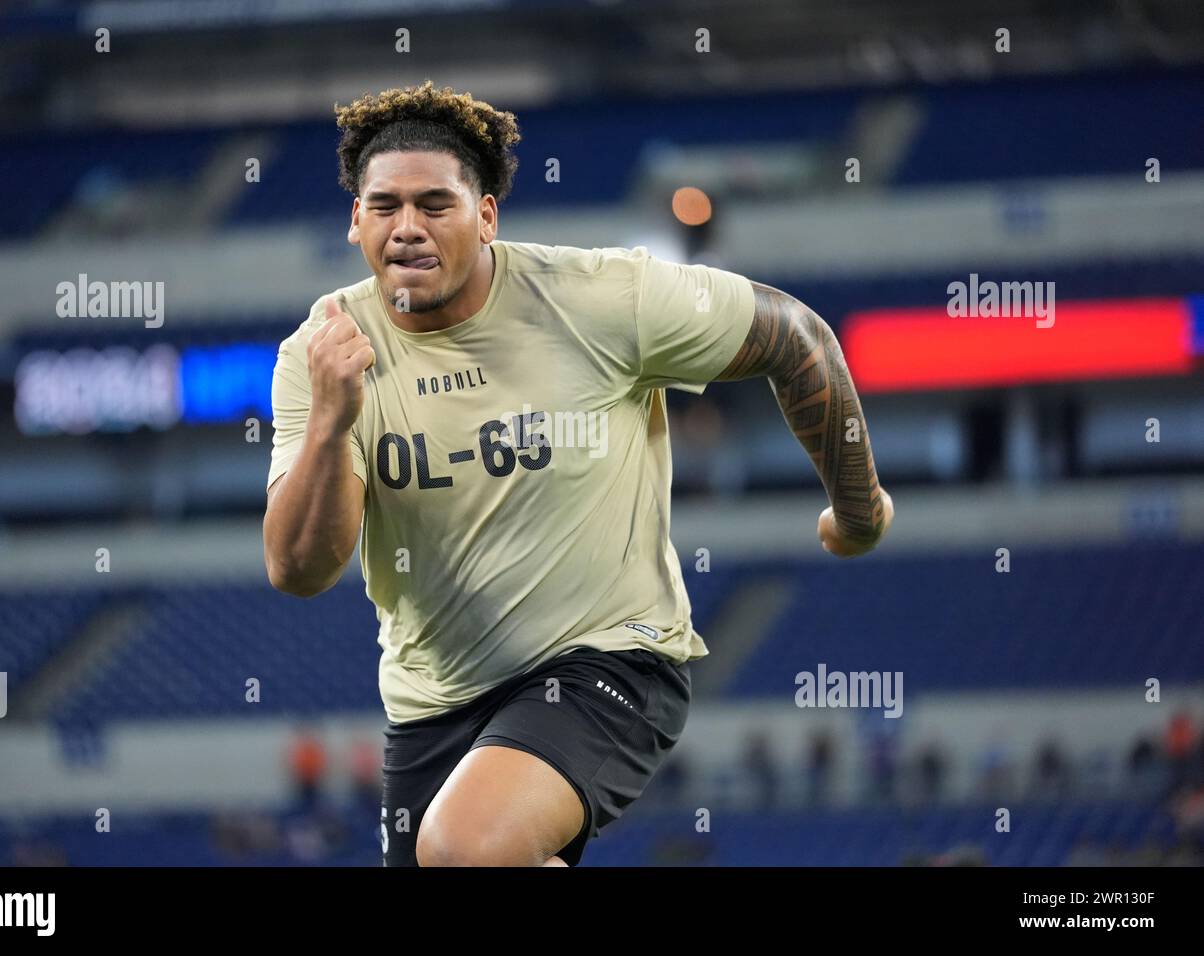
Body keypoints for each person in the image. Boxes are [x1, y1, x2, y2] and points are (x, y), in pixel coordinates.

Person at [262, 80, 894, 866]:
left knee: (464, 850)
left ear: (487, 215)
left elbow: (796, 338)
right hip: (432, 704)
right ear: (356, 221)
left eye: (437, 204)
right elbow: (297, 569)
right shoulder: (321, 355)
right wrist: (331, 417)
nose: (408, 229)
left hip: (606, 661)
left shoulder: (597, 298)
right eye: (385, 206)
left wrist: (859, 510)